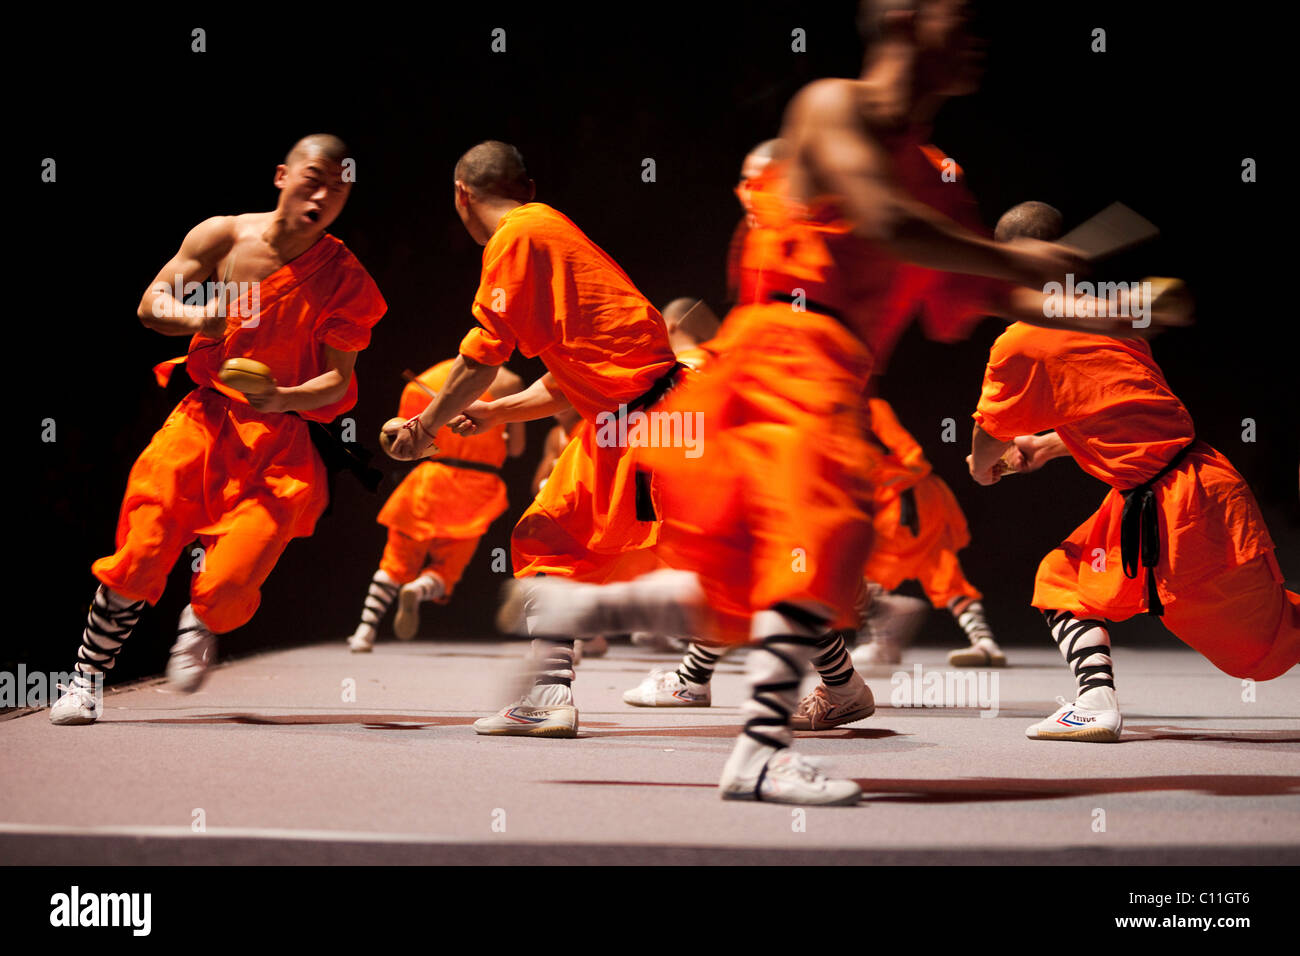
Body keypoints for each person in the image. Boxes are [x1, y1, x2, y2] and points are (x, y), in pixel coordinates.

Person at [498, 1, 1155, 803]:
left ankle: (589, 615)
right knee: (820, 552)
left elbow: (993, 294)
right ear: (903, 18)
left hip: (823, 373)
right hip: (782, 359)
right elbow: (887, 221)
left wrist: (1128, 306)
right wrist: (1009, 260)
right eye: (957, 13)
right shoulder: (831, 106)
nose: (977, 29)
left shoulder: (939, 174)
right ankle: (756, 748)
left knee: (771, 570)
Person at [51, 134, 386, 725]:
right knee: (144, 543)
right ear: (282, 175)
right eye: (315, 177)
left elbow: (336, 383)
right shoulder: (223, 235)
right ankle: (85, 678)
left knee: (232, 581)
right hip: (203, 420)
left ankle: (201, 620)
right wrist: (198, 317)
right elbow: (151, 305)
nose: (324, 193)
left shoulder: (344, 277)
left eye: (340, 187)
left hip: (279, 440)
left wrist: (281, 396)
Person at [385, 140, 686, 738]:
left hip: (656, 424)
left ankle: (838, 681)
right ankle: (548, 696)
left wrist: (425, 425)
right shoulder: (548, 230)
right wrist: (498, 414)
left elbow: (480, 354)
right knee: (549, 537)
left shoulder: (517, 238)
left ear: (461, 195)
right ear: (525, 186)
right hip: (632, 421)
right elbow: (570, 375)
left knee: (731, 553)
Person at [969, 201, 1297, 742]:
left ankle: (1097, 706)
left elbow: (987, 437)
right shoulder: (1112, 326)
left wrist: (982, 467)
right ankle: (1094, 701)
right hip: (1191, 488)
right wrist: (1050, 447)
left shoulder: (1020, 340)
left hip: (1178, 506)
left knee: (1266, 649)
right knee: (1063, 578)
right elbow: (1125, 416)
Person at [346, 360, 525, 651]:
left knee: (395, 561)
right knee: (448, 568)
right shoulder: (511, 382)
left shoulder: (428, 378)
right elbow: (516, 449)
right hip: (478, 489)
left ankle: (364, 631)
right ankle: (418, 590)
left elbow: (400, 440)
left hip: (432, 483)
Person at [852, 395, 1005, 667]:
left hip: (905, 503)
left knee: (865, 570)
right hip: (911, 503)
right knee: (941, 570)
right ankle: (984, 641)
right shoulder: (848, 412)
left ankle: (882, 636)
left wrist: (872, 474)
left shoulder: (868, 409)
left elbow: (914, 460)